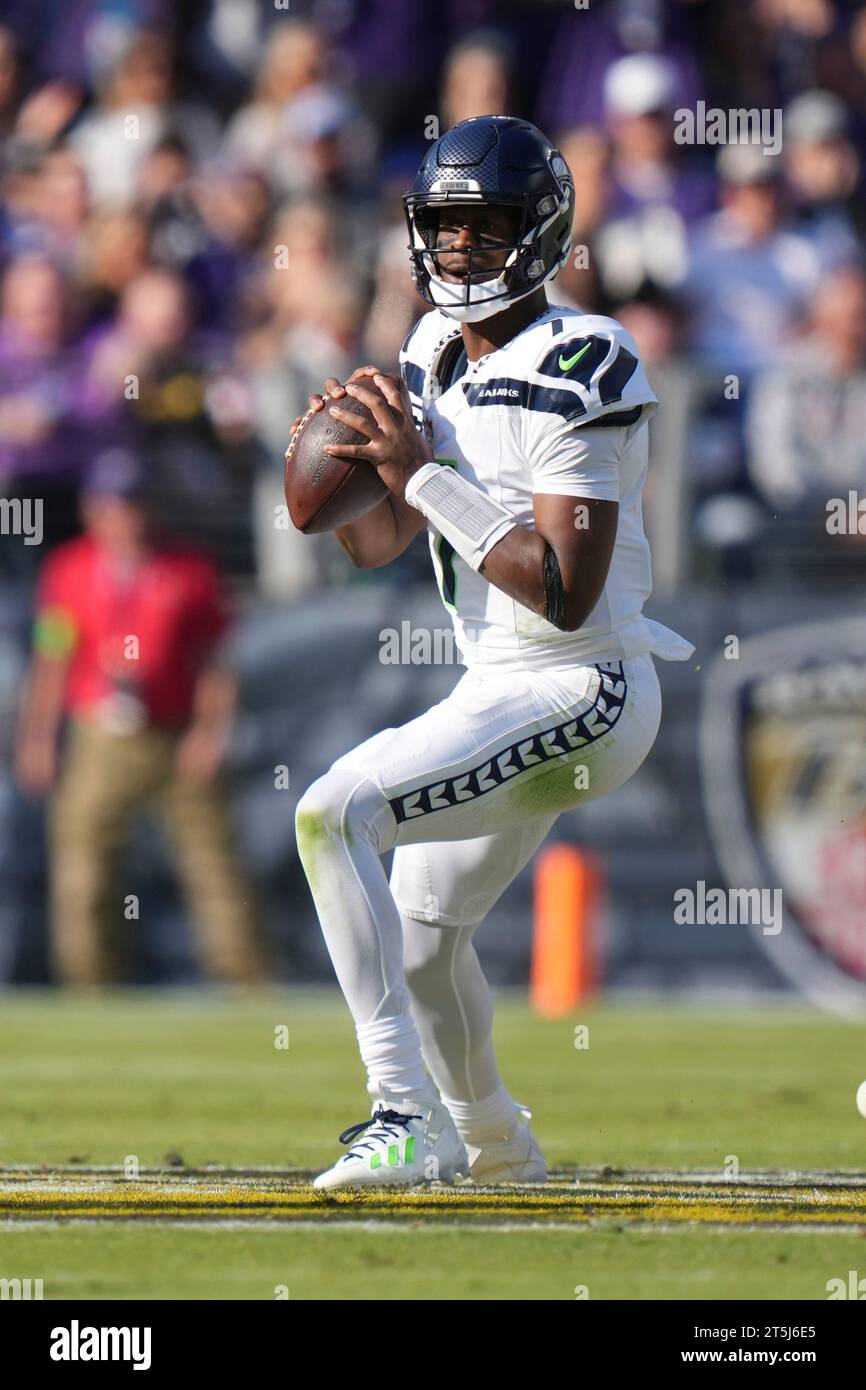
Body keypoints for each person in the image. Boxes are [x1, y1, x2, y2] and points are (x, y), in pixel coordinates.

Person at [291, 115, 693, 1190]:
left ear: (541, 229)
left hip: (586, 685)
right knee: (422, 944)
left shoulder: (585, 357)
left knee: (334, 810)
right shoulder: (425, 348)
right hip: (498, 683)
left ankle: (399, 1115)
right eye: (445, 225)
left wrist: (421, 472)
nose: (461, 248)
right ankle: (500, 1151)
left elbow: (565, 594)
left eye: (486, 224)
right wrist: (343, 470)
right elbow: (380, 538)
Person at [14, 450, 266, 987]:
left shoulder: (188, 570)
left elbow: (216, 662)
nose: (122, 517)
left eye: (131, 504)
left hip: (174, 733)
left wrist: (210, 731)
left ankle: (249, 991)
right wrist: (37, 737)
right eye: (111, 504)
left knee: (215, 870)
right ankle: (92, 992)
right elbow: (52, 658)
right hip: (101, 735)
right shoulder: (70, 570)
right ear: (92, 510)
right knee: (83, 872)